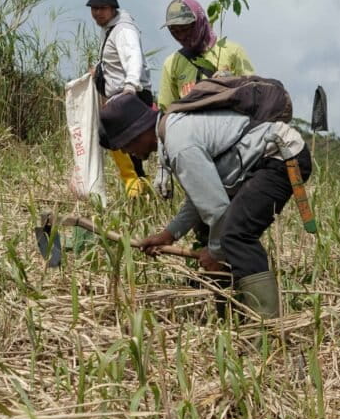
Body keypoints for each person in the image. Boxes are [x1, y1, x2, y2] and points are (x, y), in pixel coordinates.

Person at [98, 91, 310, 319]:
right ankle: (237, 317)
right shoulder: (173, 132)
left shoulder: (179, 145)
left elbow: (217, 209)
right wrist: (169, 234)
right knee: (224, 233)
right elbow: (199, 197)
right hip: (270, 159)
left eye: (125, 145)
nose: (128, 153)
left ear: (137, 133)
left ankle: (267, 326)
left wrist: (215, 252)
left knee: (236, 235)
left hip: (282, 157)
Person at [87, 0, 154, 197]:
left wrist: (129, 88)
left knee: (120, 144)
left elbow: (132, 58)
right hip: (122, 97)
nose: (97, 13)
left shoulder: (124, 30)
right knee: (128, 152)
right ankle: (140, 192)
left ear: (113, 8)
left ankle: (137, 192)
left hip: (129, 98)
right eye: (94, 8)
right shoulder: (110, 29)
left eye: (102, 8)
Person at [157, 0, 254, 109]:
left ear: (199, 22)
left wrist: (231, 81)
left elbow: (253, 91)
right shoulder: (171, 63)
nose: (181, 36)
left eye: (185, 29)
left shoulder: (233, 51)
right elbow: (166, 108)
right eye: (175, 32)